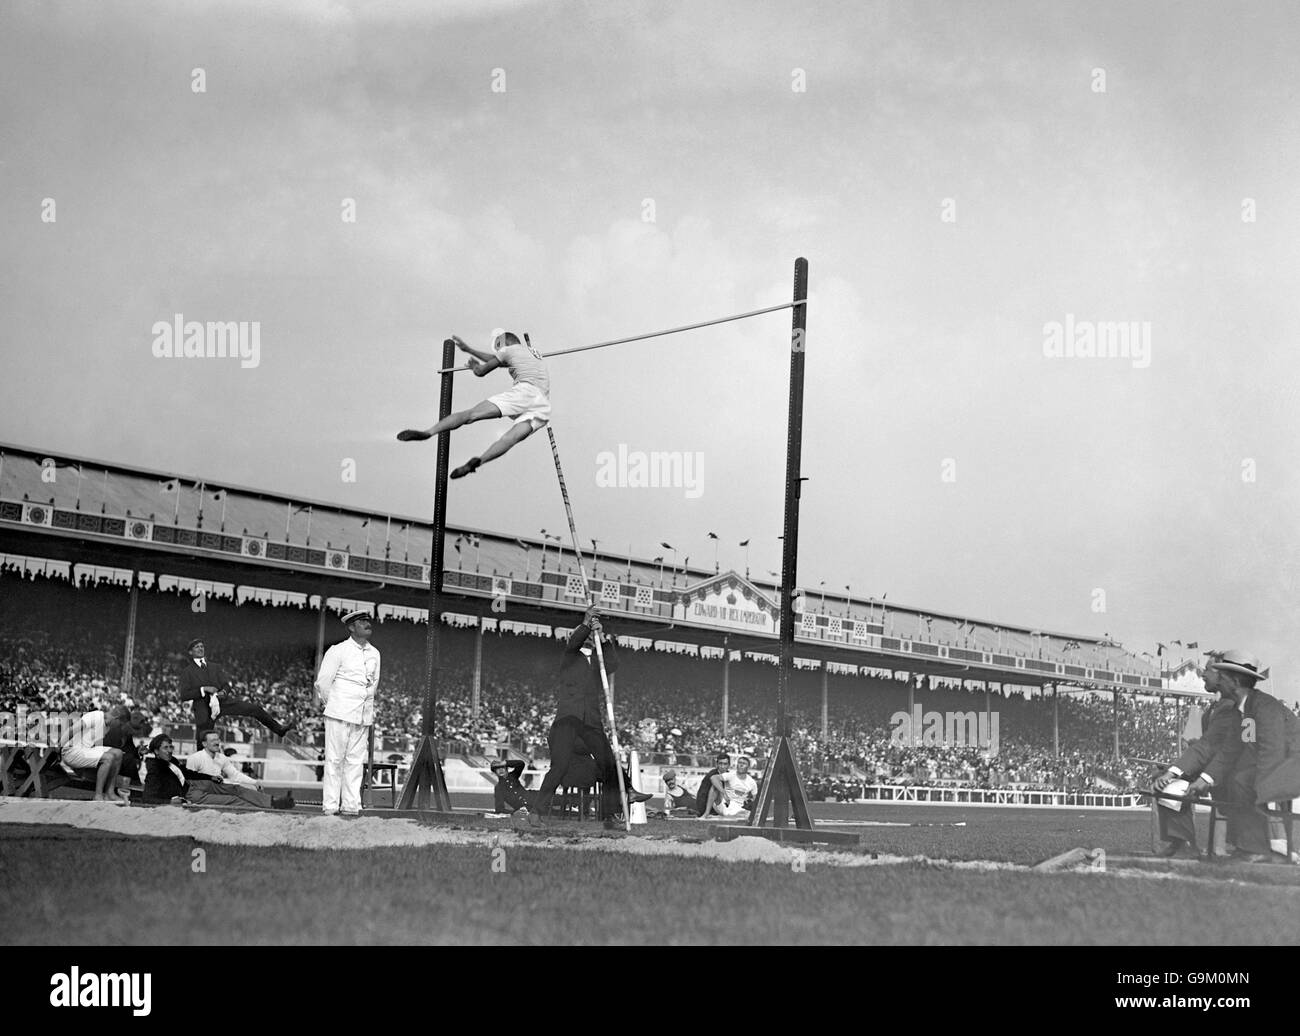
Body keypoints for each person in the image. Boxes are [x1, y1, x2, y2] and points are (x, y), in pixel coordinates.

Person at [530, 606, 648, 828]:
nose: (587, 640)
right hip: (568, 719)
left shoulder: (597, 662)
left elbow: (613, 664)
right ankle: (536, 812)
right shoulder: (569, 658)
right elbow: (574, 642)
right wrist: (586, 623)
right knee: (560, 767)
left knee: (609, 764)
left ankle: (611, 815)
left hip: (591, 721)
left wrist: (601, 636)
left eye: (589, 636)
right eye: (586, 636)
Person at [397, 330, 551, 479]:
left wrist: (474, 367)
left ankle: (428, 433)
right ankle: (478, 462)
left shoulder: (507, 351)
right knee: (509, 440)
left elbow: (481, 371)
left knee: (470, 415)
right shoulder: (532, 353)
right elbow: (495, 359)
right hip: (542, 405)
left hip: (524, 392)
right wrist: (469, 349)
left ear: (504, 345)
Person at [1199, 650, 1300, 863]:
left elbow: (1271, 751)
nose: (1219, 681)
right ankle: (1248, 846)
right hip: (1279, 764)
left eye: (1223, 677)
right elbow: (1230, 750)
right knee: (1234, 778)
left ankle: (1257, 848)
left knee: (1242, 780)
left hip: (1292, 763)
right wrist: (1205, 778)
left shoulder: (1265, 707)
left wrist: (1260, 782)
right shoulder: (1241, 710)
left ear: (1234, 681)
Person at [1152, 661, 1244, 860]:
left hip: (1230, 772)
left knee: (1171, 781)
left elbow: (1213, 747)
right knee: (1165, 780)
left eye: (1208, 670)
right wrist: (1173, 770)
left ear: (1221, 676)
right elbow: (1209, 744)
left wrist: (1180, 770)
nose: (1202, 674)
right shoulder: (1215, 708)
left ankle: (1210, 847)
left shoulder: (1231, 707)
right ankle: (1182, 842)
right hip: (1214, 767)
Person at [314, 609, 380, 818]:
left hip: (362, 715)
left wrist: (366, 710)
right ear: (351, 627)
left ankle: (351, 806)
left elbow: (374, 685)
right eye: (362, 622)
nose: (367, 624)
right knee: (334, 760)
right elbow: (323, 682)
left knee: (355, 761)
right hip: (339, 712)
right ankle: (330, 806)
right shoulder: (338, 650)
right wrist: (333, 704)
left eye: (368, 621)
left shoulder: (374, 653)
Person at [178, 638, 295, 741]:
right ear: (190, 652)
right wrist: (204, 689)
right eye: (197, 647)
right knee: (203, 736)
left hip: (221, 701)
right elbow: (184, 695)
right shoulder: (187, 671)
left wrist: (223, 692)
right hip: (203, 705)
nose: (200, 648)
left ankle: (279, 729)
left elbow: (226, 685)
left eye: (202, 646)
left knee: (254, 709)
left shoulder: (215, 667)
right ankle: (200, 762)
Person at [144, 734, 294, 808]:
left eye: (171, 747)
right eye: (166, 748)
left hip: (196, 784)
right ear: (156, 751)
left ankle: (273, 802)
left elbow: (189, 773)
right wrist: (169, 802)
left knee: (235, 788)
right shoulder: (155, 770)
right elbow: (148, 797)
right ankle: (263, 810)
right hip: (189, 794)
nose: (170, 750)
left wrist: (210, 778)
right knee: (232, 800)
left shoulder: (173, 761)